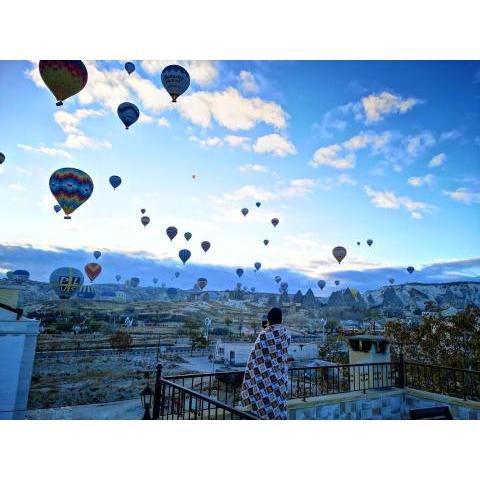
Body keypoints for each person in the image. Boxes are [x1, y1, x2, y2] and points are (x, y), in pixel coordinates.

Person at [240, 307, 291, 419]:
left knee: (263, 407)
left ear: (268, 319)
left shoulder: (264, 335)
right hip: (280, 379)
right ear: (281, 319)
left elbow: (254, 356)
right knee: (277, 404)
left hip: (264, 380)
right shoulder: (286, 334)